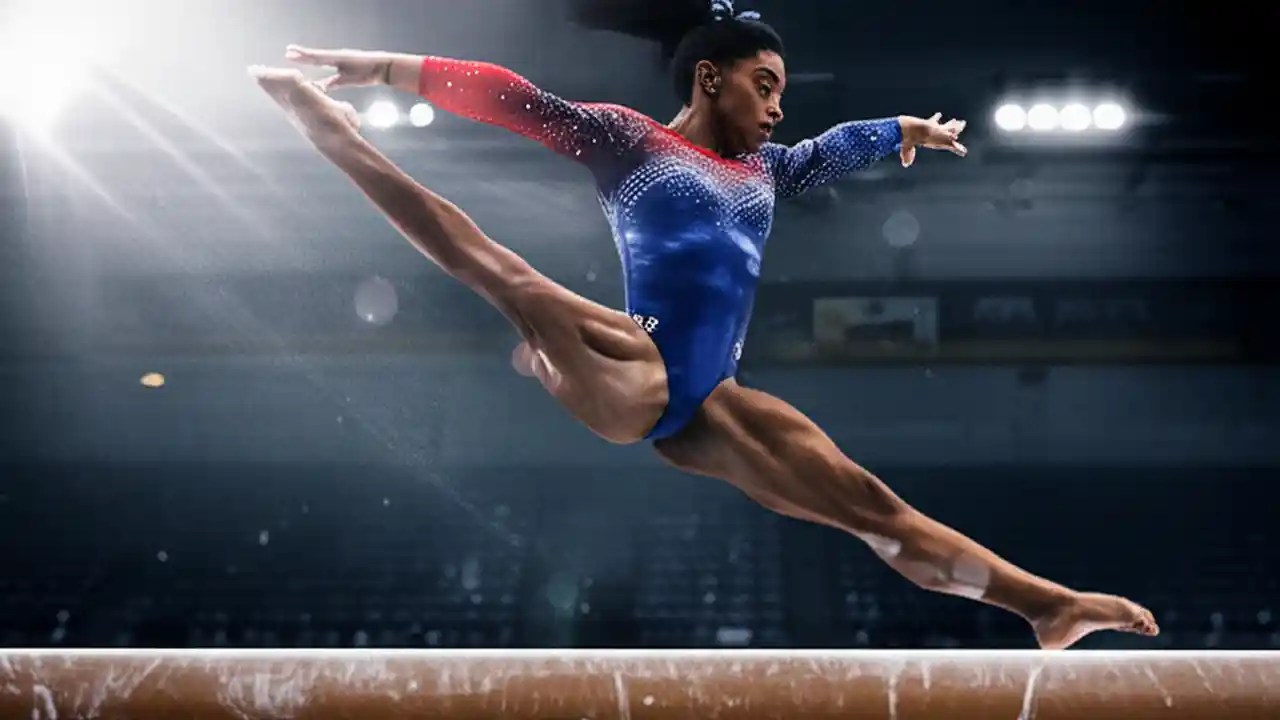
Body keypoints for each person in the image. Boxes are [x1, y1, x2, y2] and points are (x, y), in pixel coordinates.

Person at [252, 0, 1157, 649]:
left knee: (874, 509)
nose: (776, 107)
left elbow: (831, 147)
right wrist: (380, 68)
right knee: (503, 272)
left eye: (781, 92)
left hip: (712, 406)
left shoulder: (768, 169)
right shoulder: (630, 142)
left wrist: (901, 131)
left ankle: (1047, 607)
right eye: (764, 86)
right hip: (630, 369)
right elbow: (508, 96)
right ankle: (332, 133)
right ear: (708, 77)